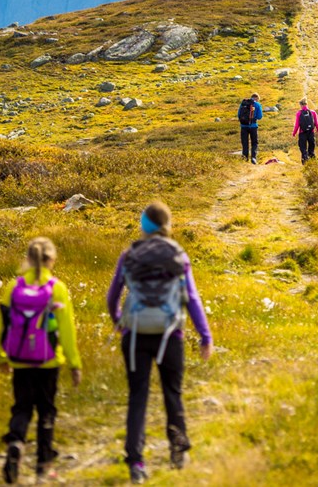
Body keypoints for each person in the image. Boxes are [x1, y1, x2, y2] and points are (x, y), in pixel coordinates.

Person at [106, 202, 213, 484]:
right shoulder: (178, 255)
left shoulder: (129, 255)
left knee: (138, 396)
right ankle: (178, 451)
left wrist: (119, 319)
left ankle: (136, 462)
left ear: (143, 225)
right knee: (172, 393)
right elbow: (192, 298)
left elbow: (112, 295)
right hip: (171, 335)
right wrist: (205, 336)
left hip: (135, 335)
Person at [0, 237, 82, 484]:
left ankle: (15, 443)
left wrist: (1, 356)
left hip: (20, 360)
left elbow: (3, 325)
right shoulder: (58, 288)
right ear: (51, 260)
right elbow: (67, 330)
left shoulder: (13, 287)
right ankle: (44, 461)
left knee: (21, 407)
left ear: (28, 258)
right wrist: (74, 364)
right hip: (49, 361)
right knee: (46, 408)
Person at [292, 98, 318, 163]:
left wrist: (294, 133)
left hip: (302, 133)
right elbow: (317, 124)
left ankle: (305, 162)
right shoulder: (313, 112)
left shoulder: (299, 113)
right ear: (307, 104)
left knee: (303, 149)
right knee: (311, 150)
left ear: (301, 105)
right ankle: (313, 163)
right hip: (311, 133)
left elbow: (297, 125)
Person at [237, 93, 263, 164]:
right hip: (253, 126)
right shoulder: (257, 105)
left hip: (243, 127)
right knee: (254, 143)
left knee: (245, 143)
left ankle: (244, 159)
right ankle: (253, 158)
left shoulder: (243, 103)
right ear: (257, 98)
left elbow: (238, 115)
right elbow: (260, 116)